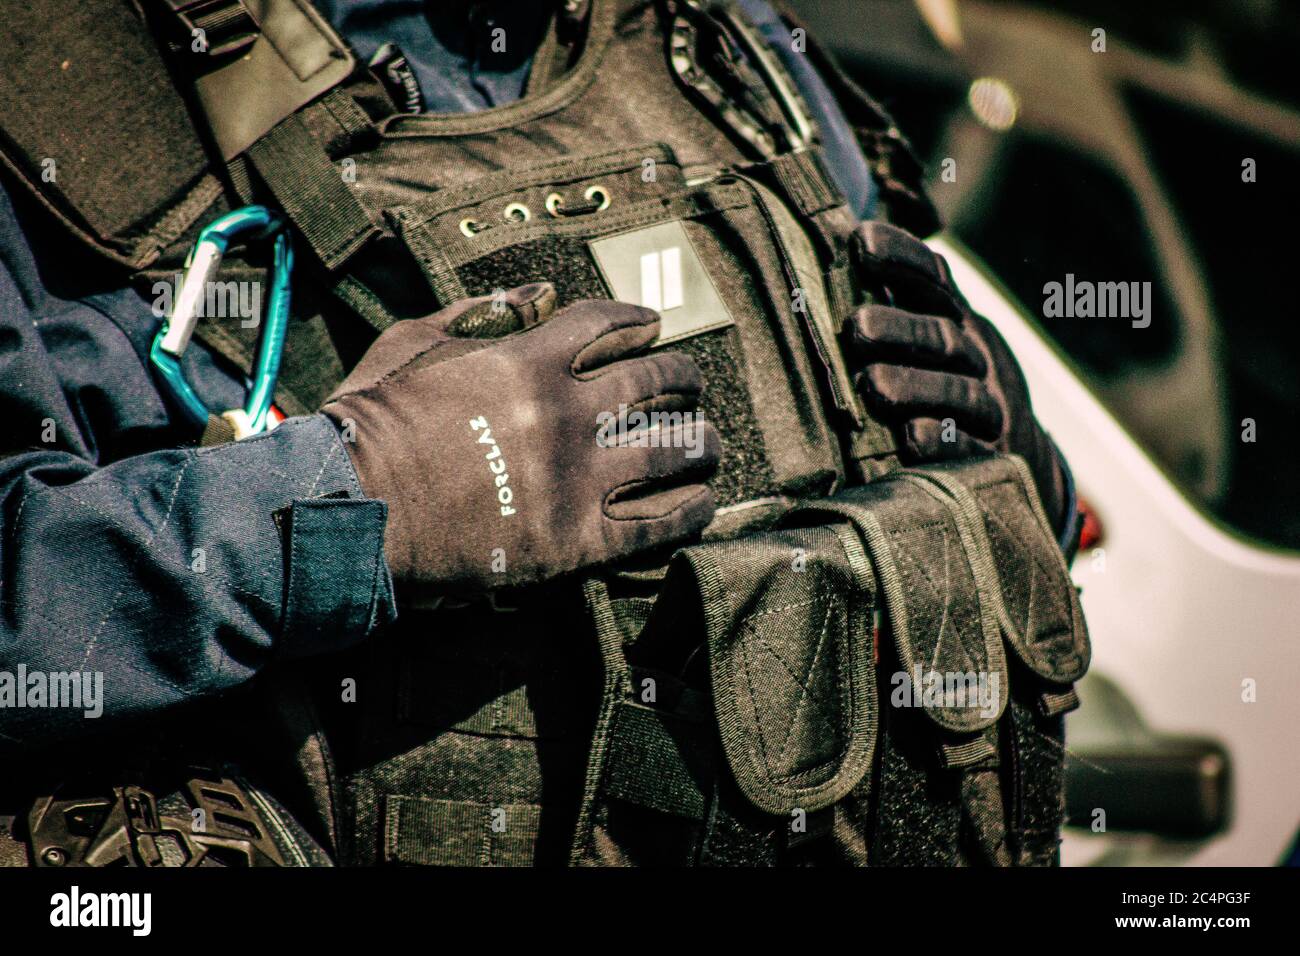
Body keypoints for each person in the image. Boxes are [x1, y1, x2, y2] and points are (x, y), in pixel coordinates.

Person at [0, 0, 1084, 867]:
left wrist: (1011, 457)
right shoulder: (56, 82)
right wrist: (349, 496)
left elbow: (999, 544)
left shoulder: (727, 45)